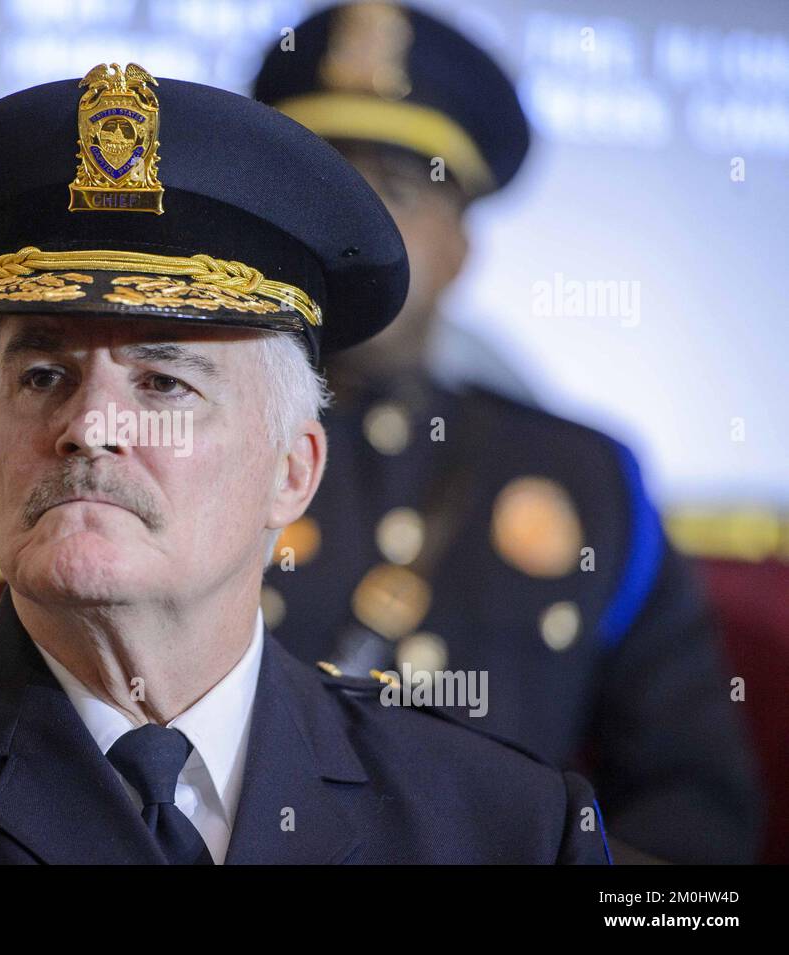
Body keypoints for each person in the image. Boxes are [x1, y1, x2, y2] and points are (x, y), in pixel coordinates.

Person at [0, 64, 610, 864]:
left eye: (162, 385)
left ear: (293, 469)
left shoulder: (499, 827)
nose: (87, 427)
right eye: (43, 373)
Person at [253, 1, 762, 863]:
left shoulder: (585, 480)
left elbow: (696, 817)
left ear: (460, 246)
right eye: (325, 186)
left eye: (401, 192)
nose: (355, 225)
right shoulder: (179, 442)